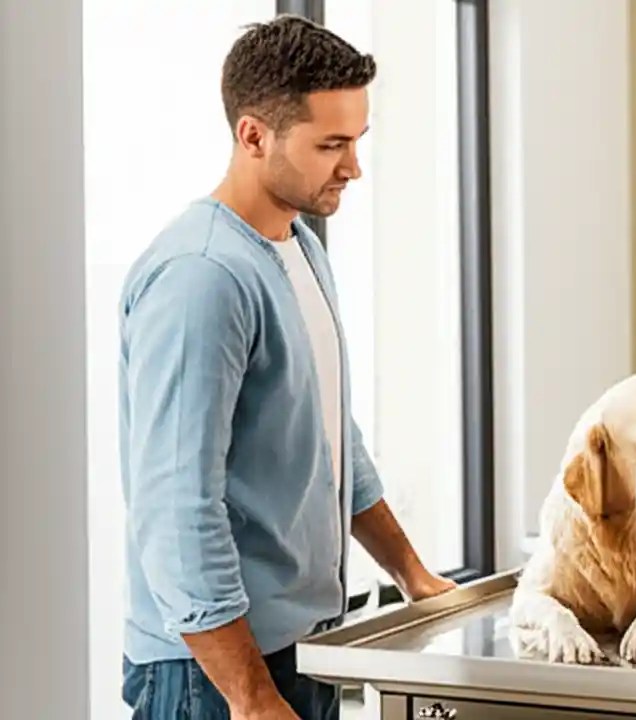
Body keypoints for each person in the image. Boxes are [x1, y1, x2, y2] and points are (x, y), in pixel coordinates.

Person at [117, 15, 456, 720]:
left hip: (302, 653)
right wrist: (250, 697)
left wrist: (413, 575)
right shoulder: (202, 278)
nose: (353, 167)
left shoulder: (299, 245)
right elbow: (176, 509)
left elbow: (333, 438)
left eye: (357, 141)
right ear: (253, 136)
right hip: (213, 675)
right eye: (331, 145)